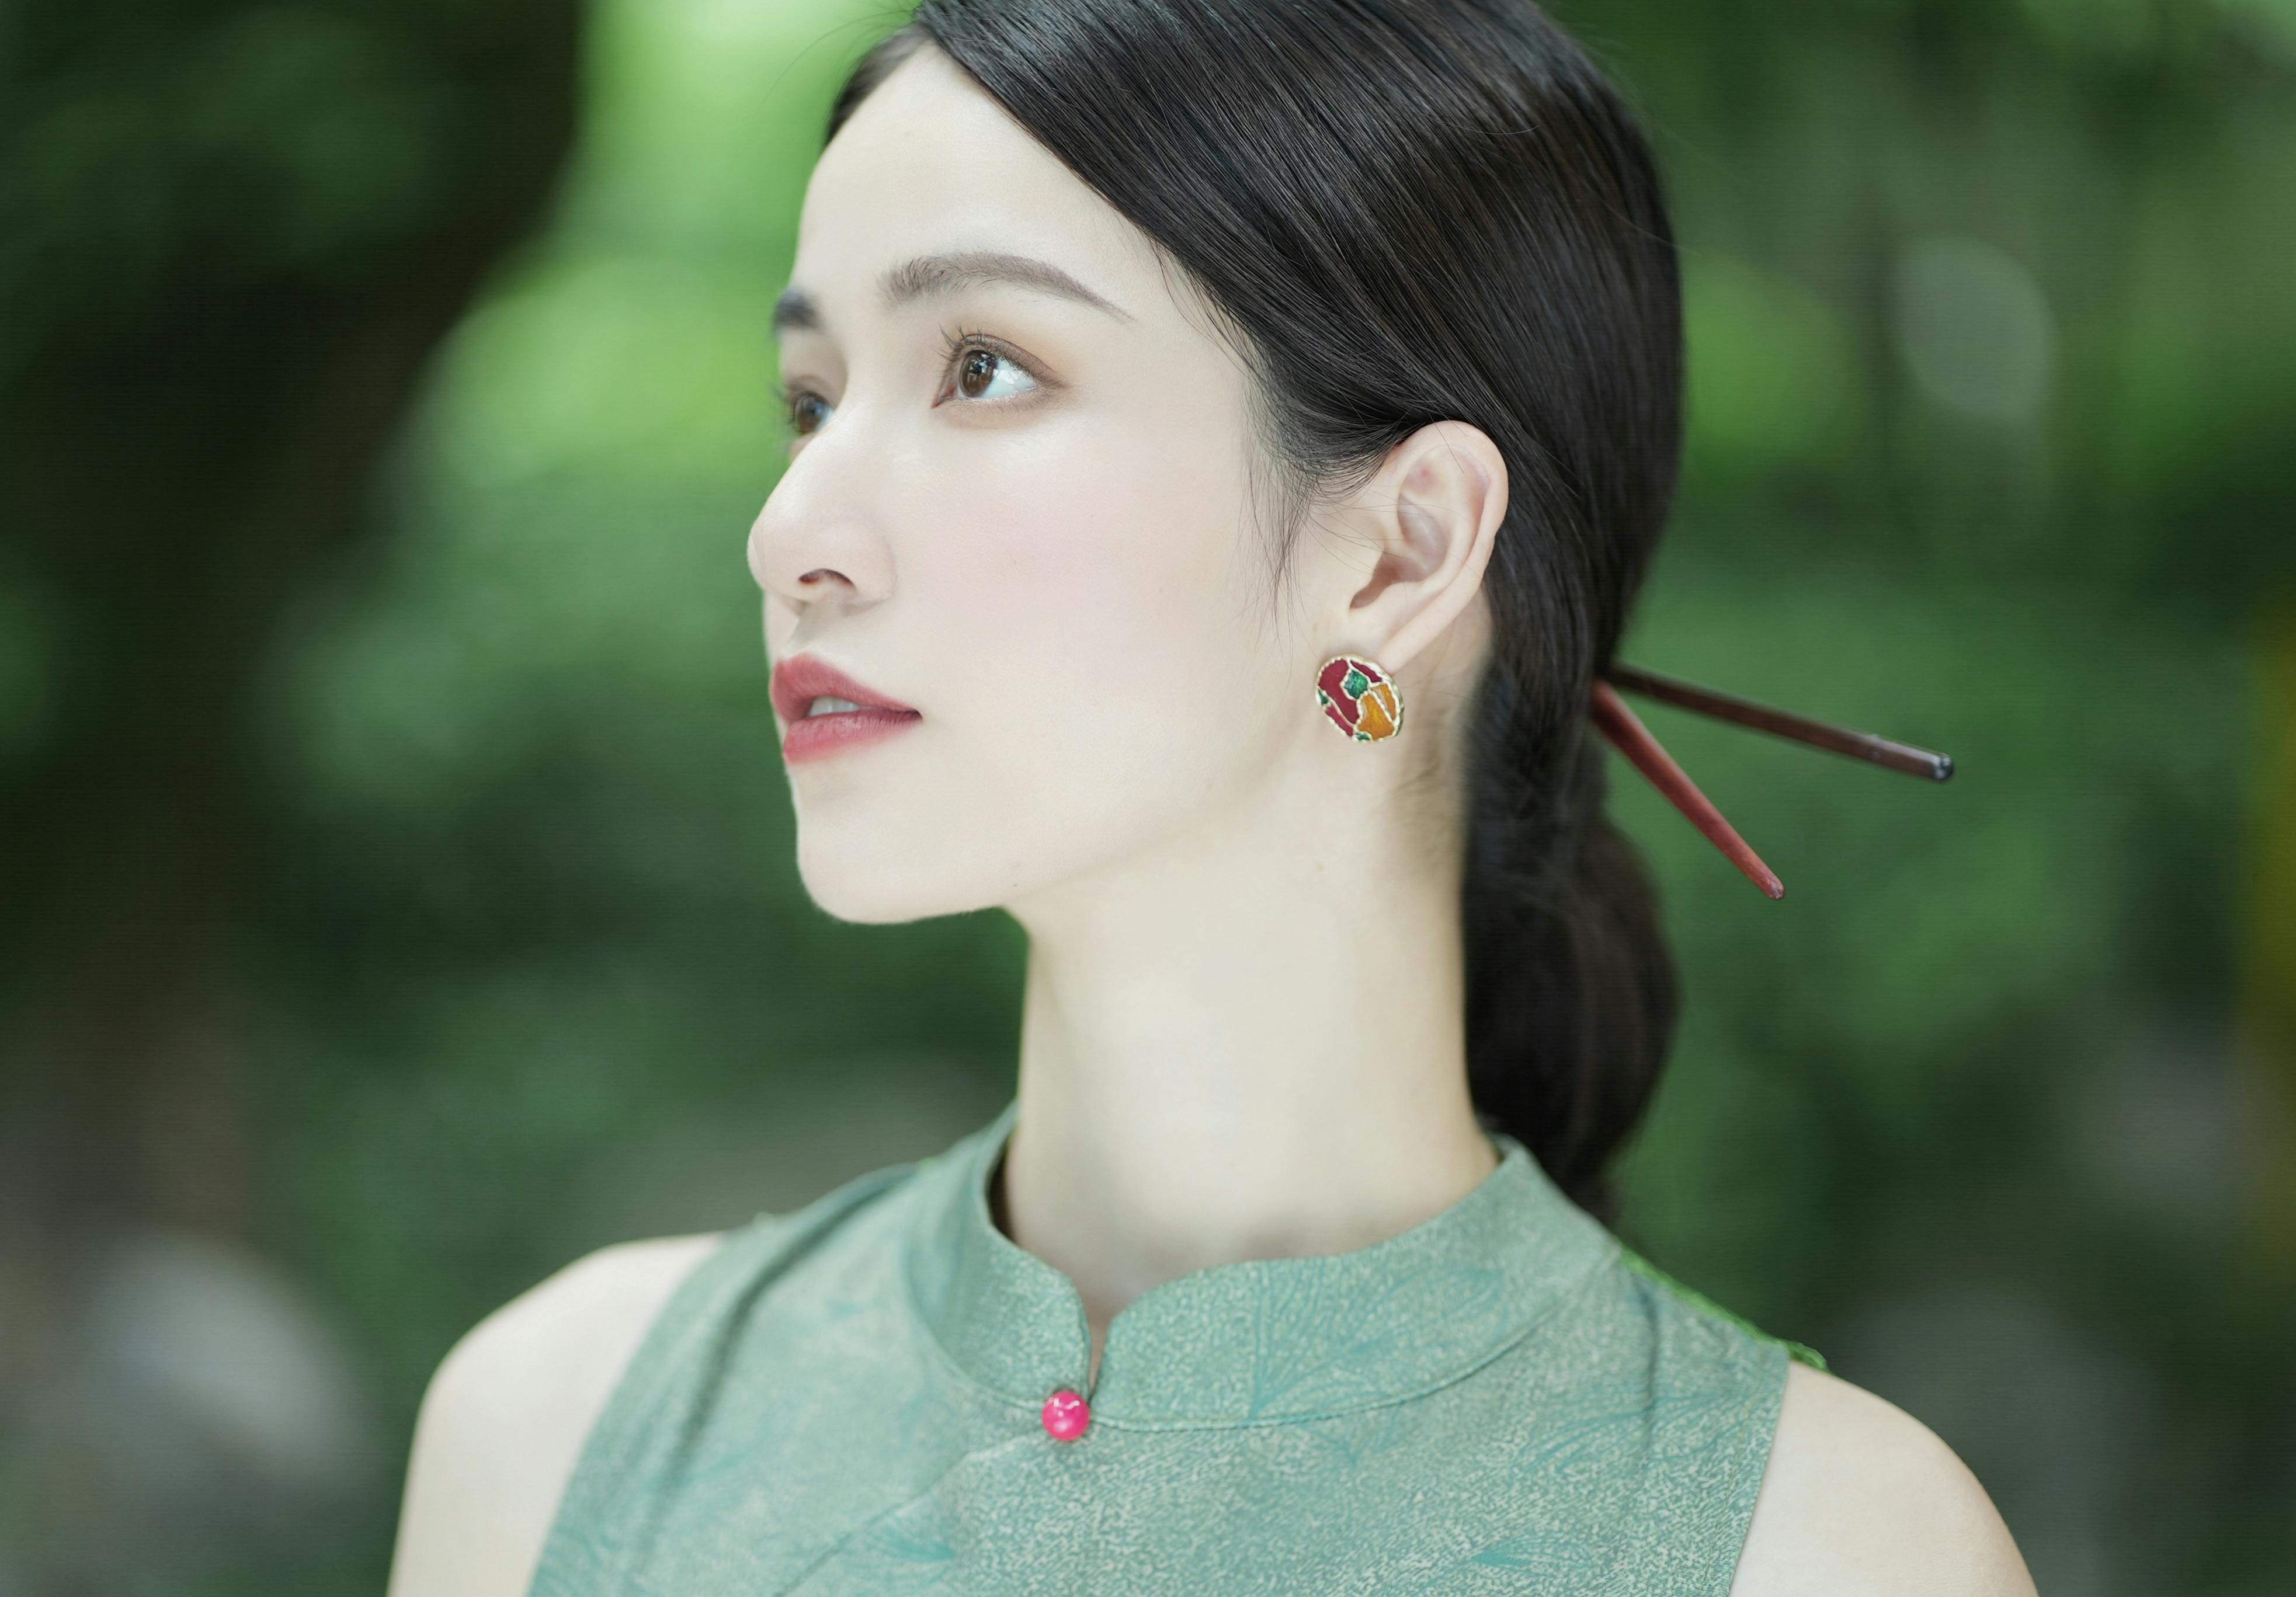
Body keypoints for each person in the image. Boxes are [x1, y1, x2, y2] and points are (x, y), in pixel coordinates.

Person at [388, 1, 2039, 1591]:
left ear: (1400, 551)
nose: (789, 530)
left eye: (982, 368)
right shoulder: (563, 1440)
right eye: (812, 400)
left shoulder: (1820, 1552)